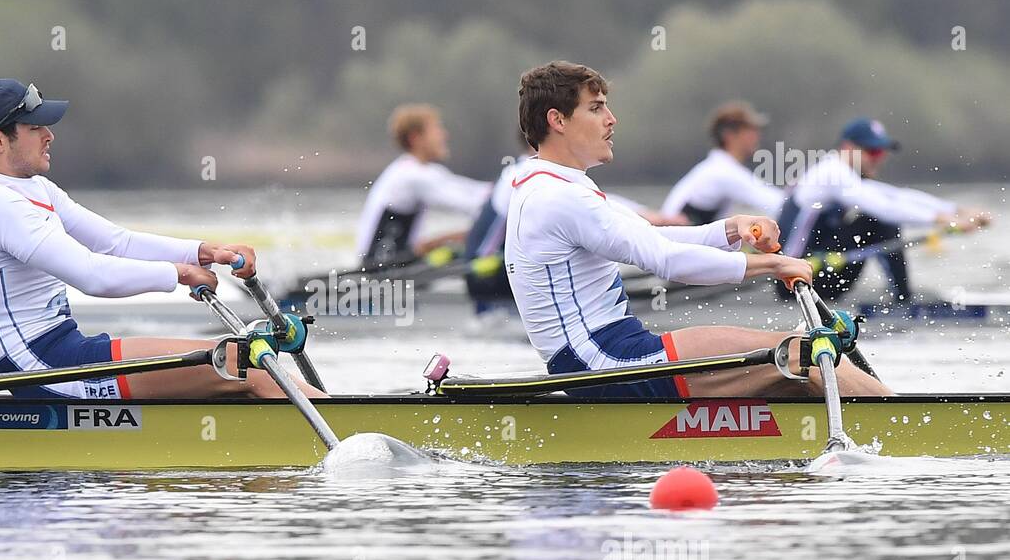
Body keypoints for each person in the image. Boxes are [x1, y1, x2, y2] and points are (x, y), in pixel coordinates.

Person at [504, 61, 889, 399]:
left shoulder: (554, 184)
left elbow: (656, 238)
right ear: (558, 120)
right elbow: (667, 261)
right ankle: (904, 423)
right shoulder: (557, 197)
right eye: (596, 108)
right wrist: (772, 266)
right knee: (798, 355)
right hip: (603, 362)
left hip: (610, 352)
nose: (611, 119)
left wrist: (732, 230)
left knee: (787, 373)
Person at [0, 78, 324, 400]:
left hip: (64, 351)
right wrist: (177, 275)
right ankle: (360, 430)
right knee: (241, 364)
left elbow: (115, 242)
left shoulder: (35, 188)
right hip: (40, 368)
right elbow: (91, 275)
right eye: (35, 128)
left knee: (235, 369)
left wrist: (203, 253)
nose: (50, 135)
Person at [463, 131, 684, 312]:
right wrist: (656, 218)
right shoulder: (524, 175)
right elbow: (590, 207)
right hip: (485, 277)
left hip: (503, 272)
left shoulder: (531, 172)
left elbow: (594, 202)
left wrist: (650, 217)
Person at [777, 117, 991, 302]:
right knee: (879, 222)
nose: (879, 158)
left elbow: (896, 196)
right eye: (873, 151)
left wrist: (957, 210)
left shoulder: (839, 172)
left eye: (881, 152)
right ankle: (904, 301)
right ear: (848, 148)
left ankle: (902, 297)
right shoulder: (833, 174)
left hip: (808, 275)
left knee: (877, 219)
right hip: (796, 282)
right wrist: (946, 220)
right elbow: (885, 208)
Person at [353, 104, 491, 271]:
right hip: (380, 271)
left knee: (461, 237)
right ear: (415, 138)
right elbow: (475, 204)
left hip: (400, 264)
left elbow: (477, 191)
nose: (445, 135)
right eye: (437, 129)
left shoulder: (419, 170)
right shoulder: (412, 176)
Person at [661, 101, 784, 223]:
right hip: (676, 239)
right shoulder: (722, 172)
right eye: (749, 129)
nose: (757, 136)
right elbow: (777, 205)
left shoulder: (716, 167)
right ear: (729, 135)